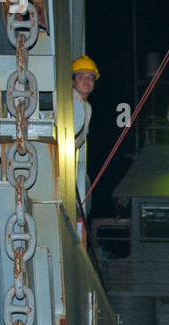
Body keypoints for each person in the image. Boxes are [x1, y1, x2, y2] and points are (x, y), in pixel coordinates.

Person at [70, 55, 99, 217]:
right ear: (73, 81)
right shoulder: (69, 102)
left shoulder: (86, 106)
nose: (87, 81)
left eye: (90, 78)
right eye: (81, 77)